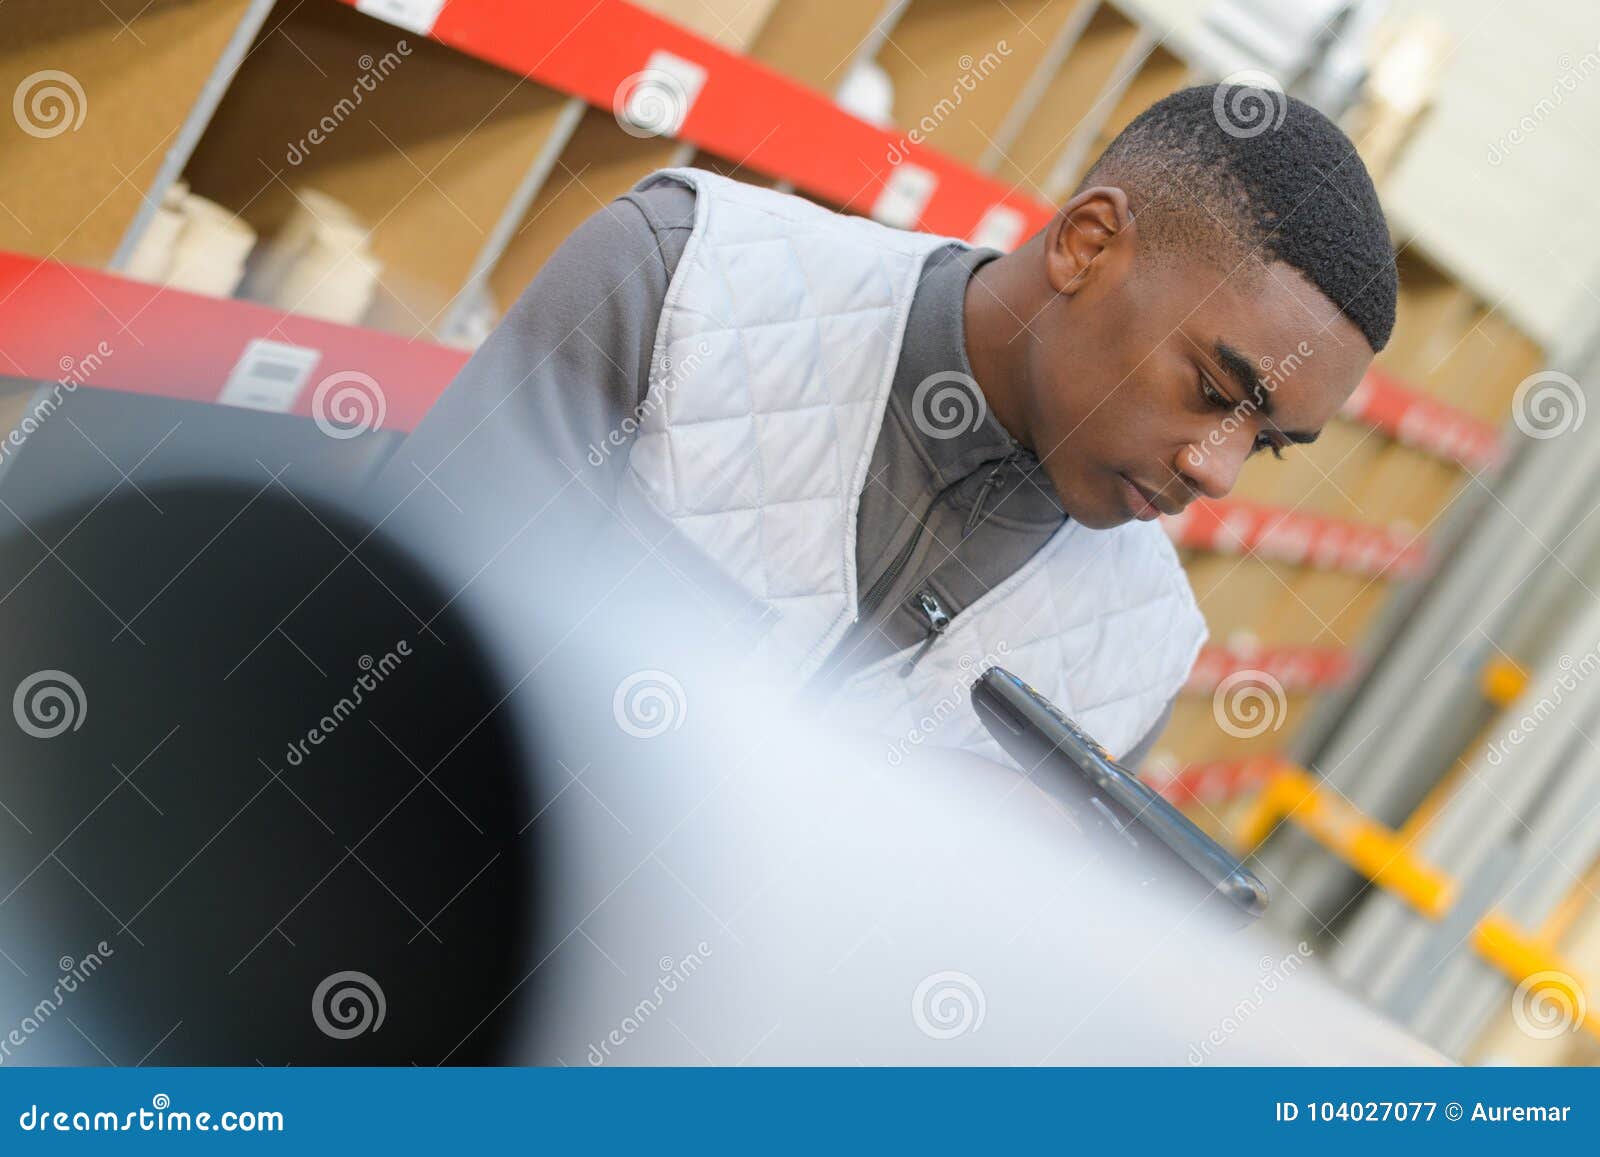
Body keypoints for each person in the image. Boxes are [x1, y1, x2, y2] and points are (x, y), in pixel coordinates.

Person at [371, 83, 1396, 769]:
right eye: (1216, 390)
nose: (1215, 471)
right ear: (1088, 244)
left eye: (1264, 442)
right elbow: (382, 655)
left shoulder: (1133, 660)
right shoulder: (682, 280)